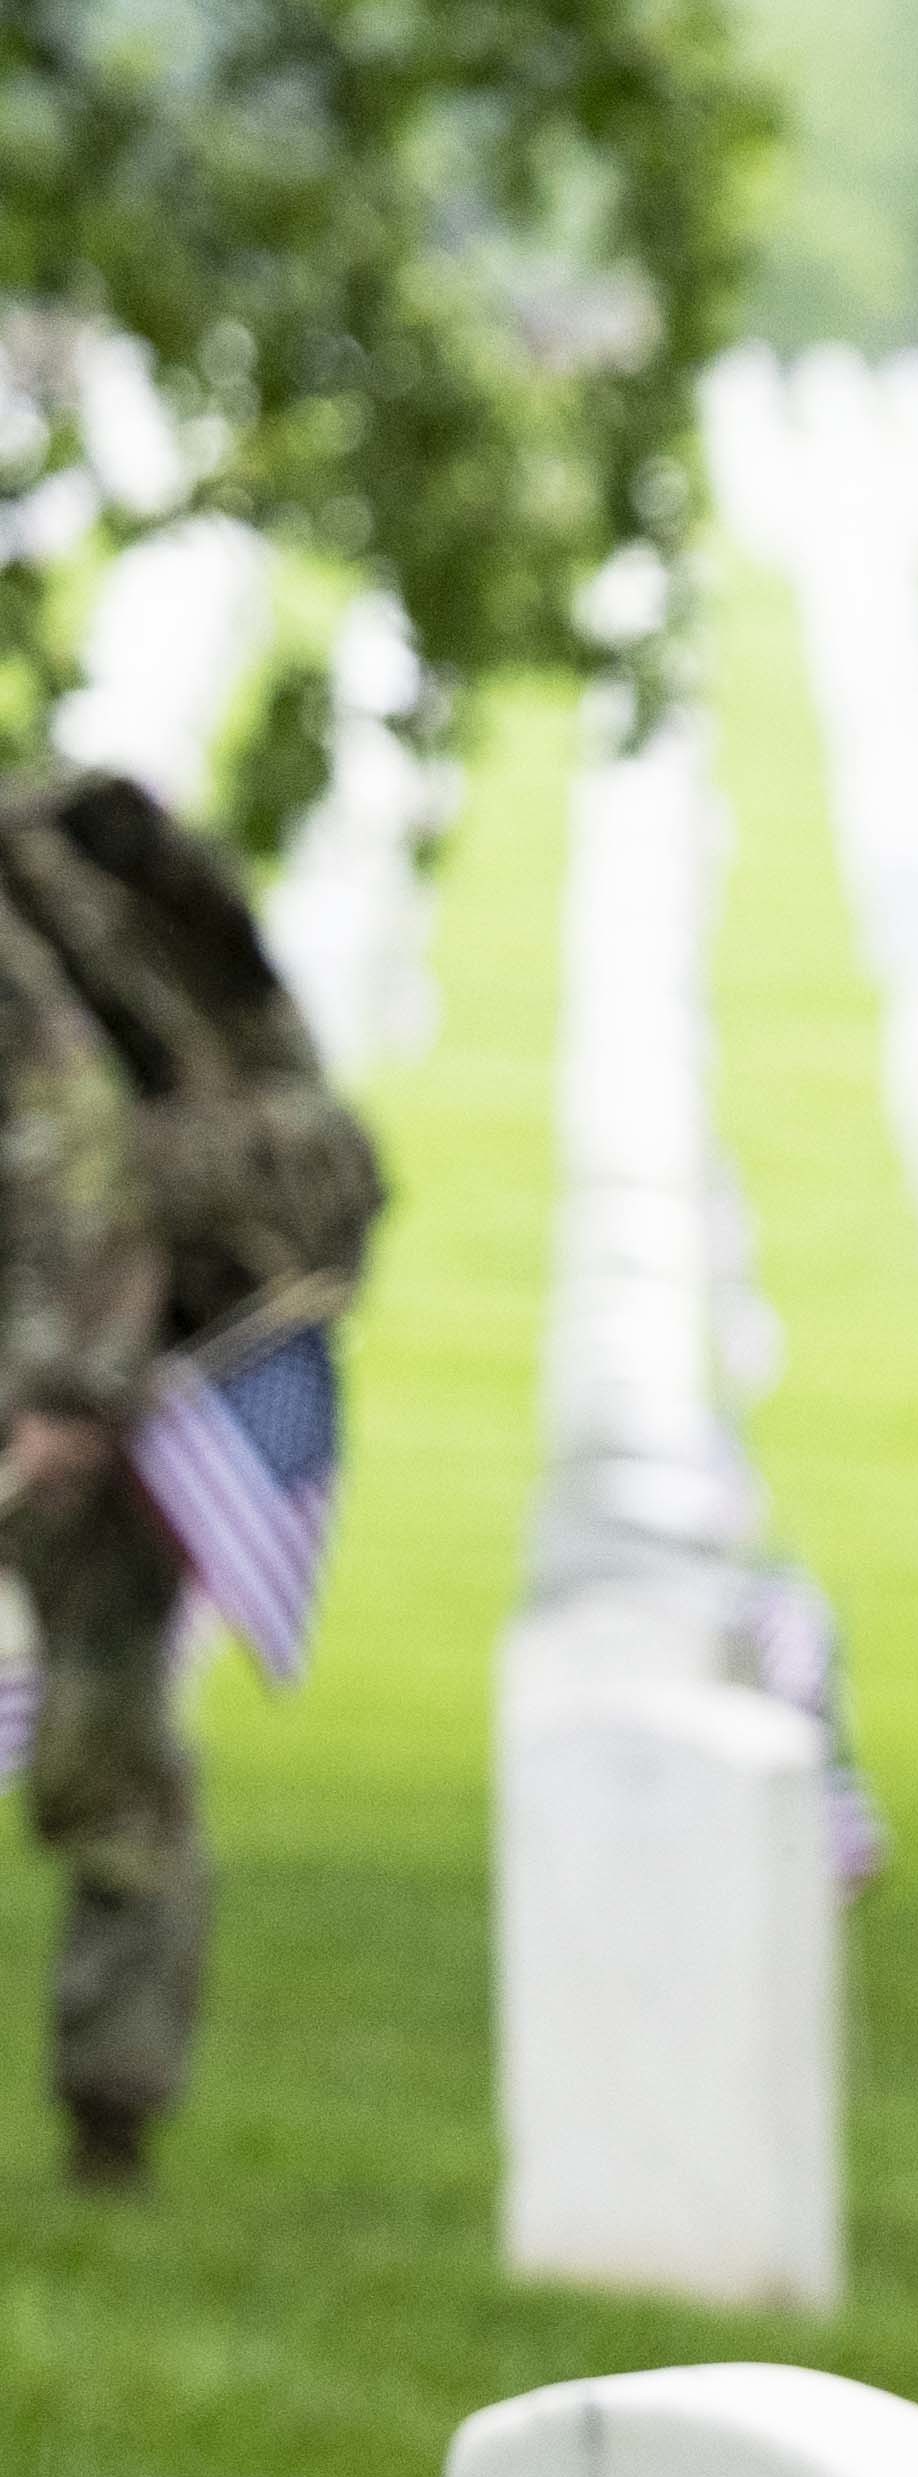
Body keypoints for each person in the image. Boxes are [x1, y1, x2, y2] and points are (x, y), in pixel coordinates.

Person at [0, 770, 381, 2195]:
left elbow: (74, 1141)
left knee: (102, 1750)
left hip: (79, 1368)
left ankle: (113, 2113)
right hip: (72, 1347)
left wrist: (68, 1390)